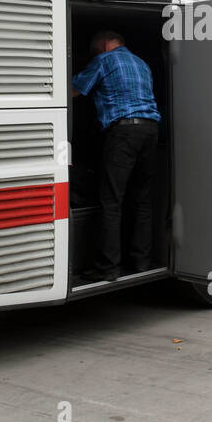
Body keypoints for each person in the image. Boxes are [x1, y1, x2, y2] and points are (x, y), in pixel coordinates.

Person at [70, 30, 161, 283]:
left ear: (104, 44)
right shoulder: (141, 63)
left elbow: (74, 91)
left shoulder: (105, 60)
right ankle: (141, 262)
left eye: (95, 50)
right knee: (141, 200)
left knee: (111, 201)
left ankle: (107, 268)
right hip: (150, 131)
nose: (94, 54)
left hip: (123, 132)